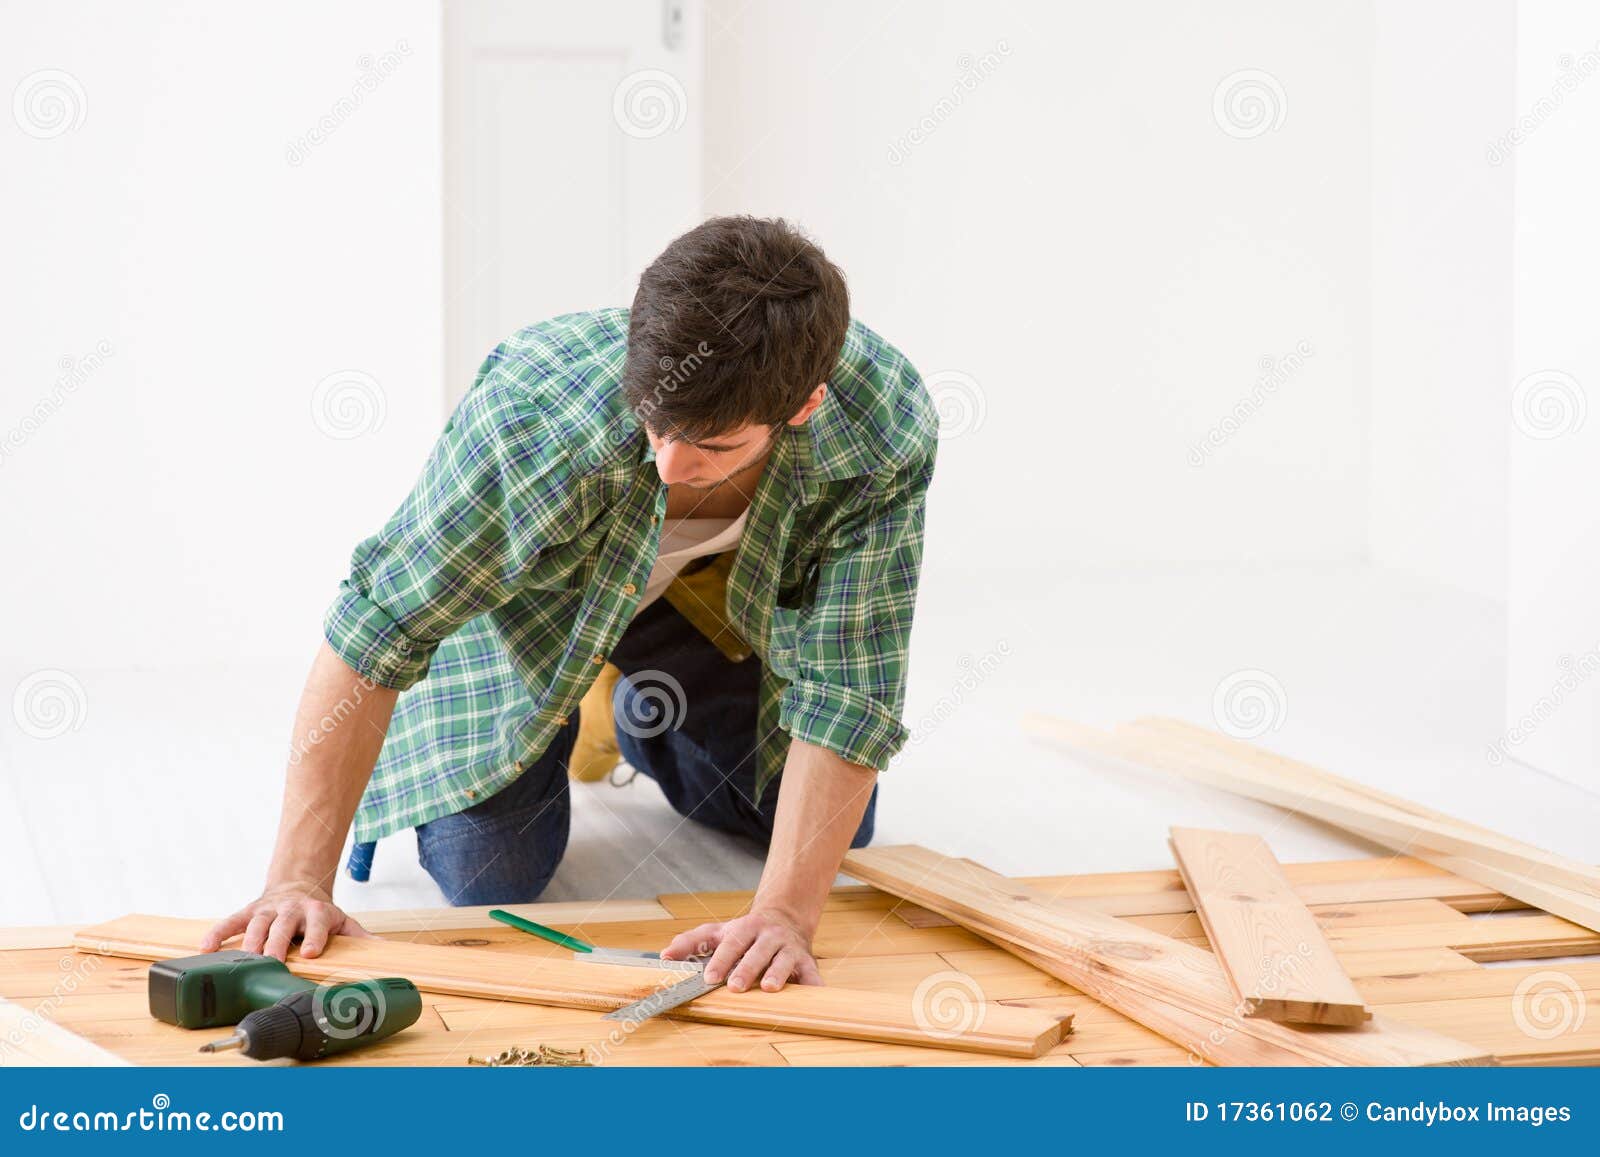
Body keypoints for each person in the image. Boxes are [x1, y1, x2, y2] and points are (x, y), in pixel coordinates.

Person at [202, 216, 938, 993]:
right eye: (657, 423)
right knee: (494, 872)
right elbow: (378, 624)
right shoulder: (535, 416)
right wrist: (296, 880)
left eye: (715, 446)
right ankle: (575, 690)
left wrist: (785, 914)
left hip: (702, 614)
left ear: (805, 405)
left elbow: (849, 695)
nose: (669, 464)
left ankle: (631, 711)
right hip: (532, 619)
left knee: (835, 827)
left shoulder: (881, 424)